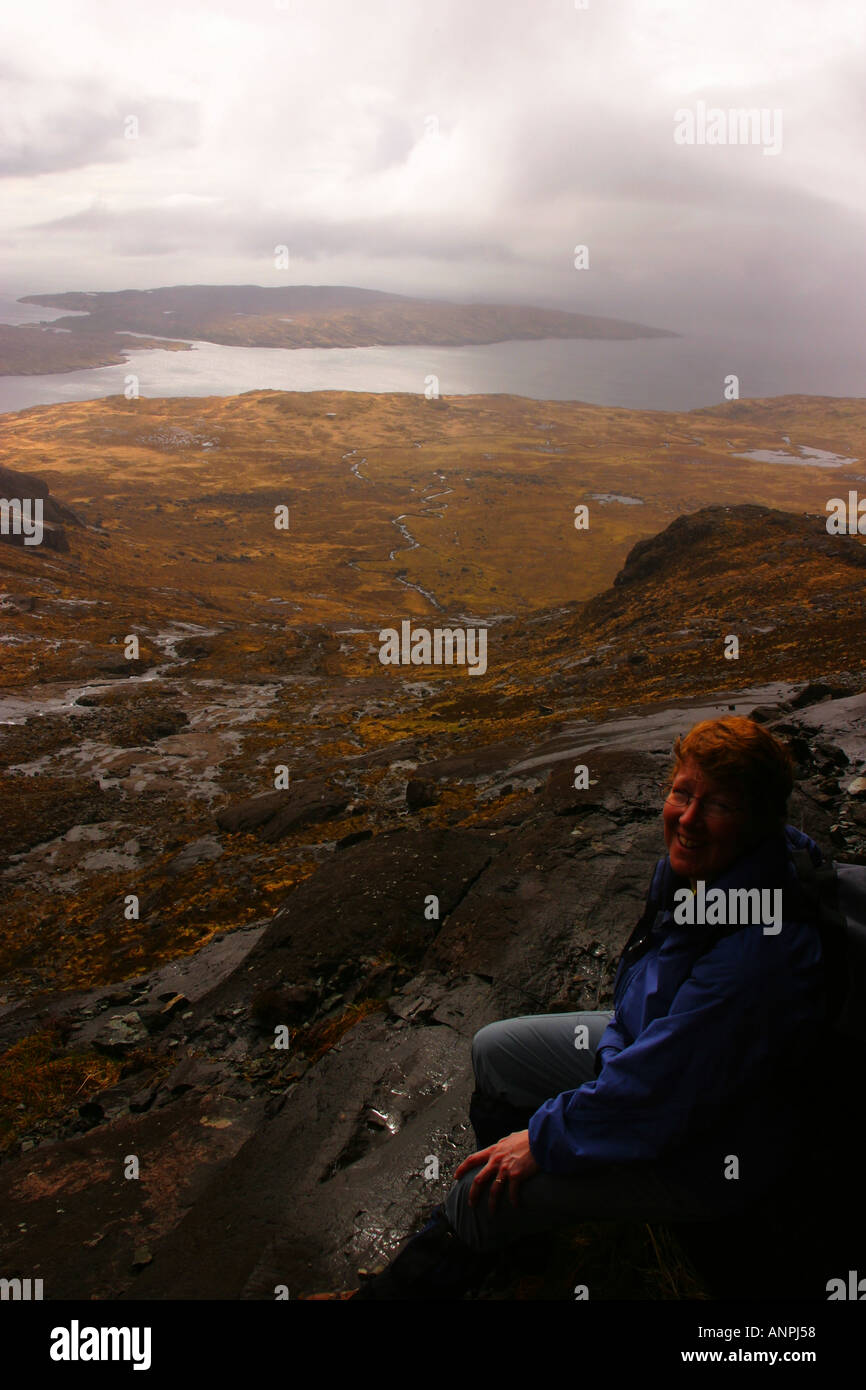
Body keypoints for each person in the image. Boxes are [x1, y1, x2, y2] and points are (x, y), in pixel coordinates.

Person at [352, 715, 827, 1299]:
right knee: (496, 1053)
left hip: (710, 1142)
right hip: (659, 1064)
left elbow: (664, 1093)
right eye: (682, 793)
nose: (689, 818)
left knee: (477, 1187)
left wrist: (546, 1139)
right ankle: (525, 1251)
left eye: (719, 805)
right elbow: (663, 1029)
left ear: (759, 820)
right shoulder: (713, 877)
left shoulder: (757, 951)